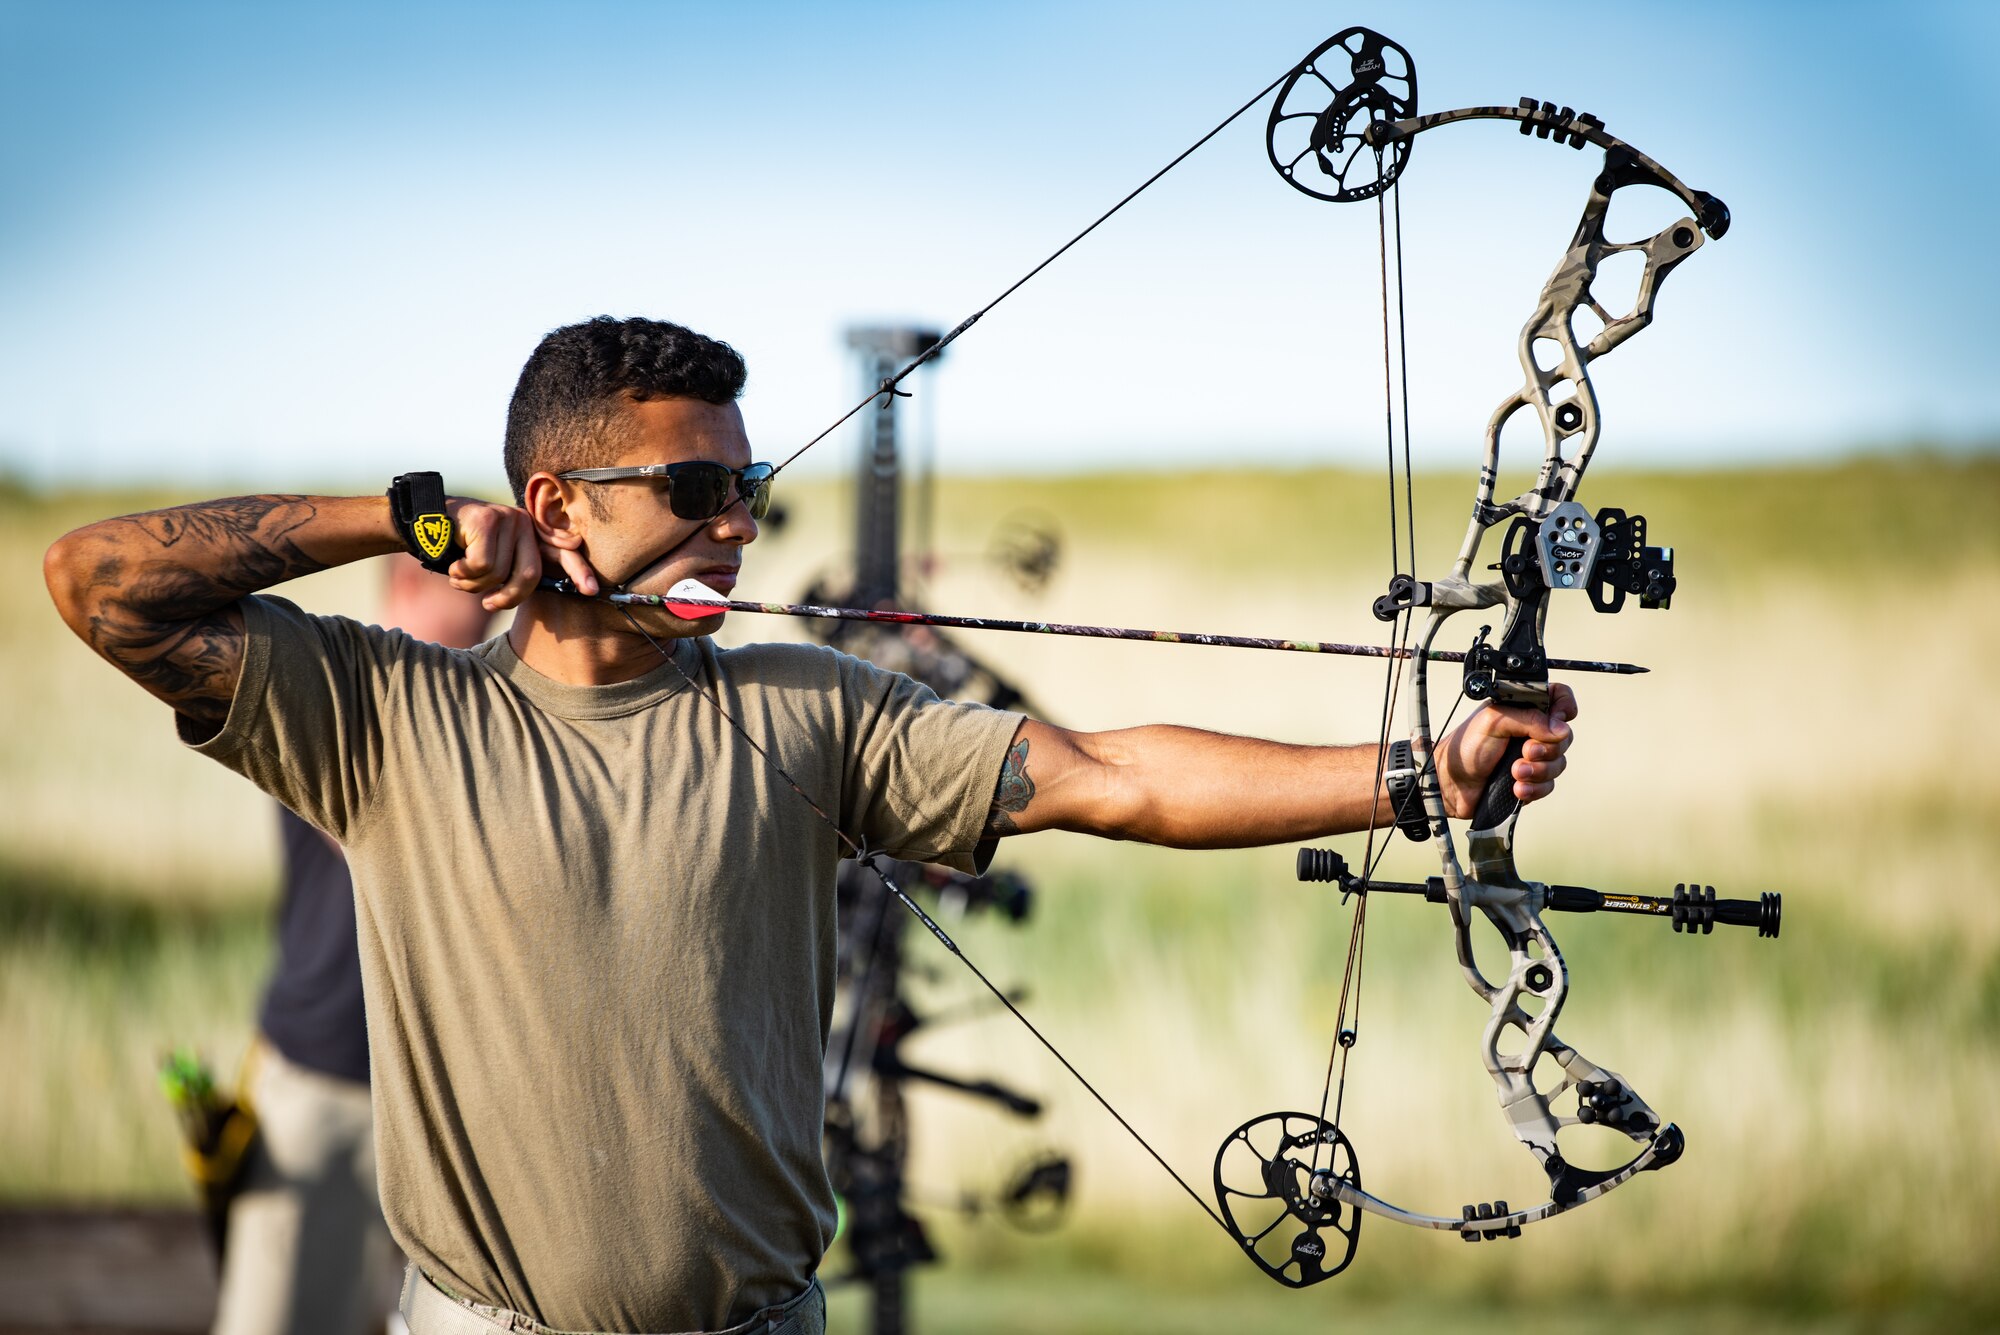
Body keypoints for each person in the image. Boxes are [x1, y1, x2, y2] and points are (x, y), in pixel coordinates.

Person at [43, 317, 1575, 1335]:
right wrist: (402, 517)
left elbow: (1111, 774)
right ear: (557, 505)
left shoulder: (802, 708)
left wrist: (1423, 775)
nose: (739, 519)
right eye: (697, 483)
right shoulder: (390, 714)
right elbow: (100, 583)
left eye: (753, 481)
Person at [213, 555, 492, 1335]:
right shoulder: (342, 693)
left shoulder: (471, 702)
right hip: (331, 1076)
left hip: (447, 1097)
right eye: (474, 588)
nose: (498, 611)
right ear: (408, 580)